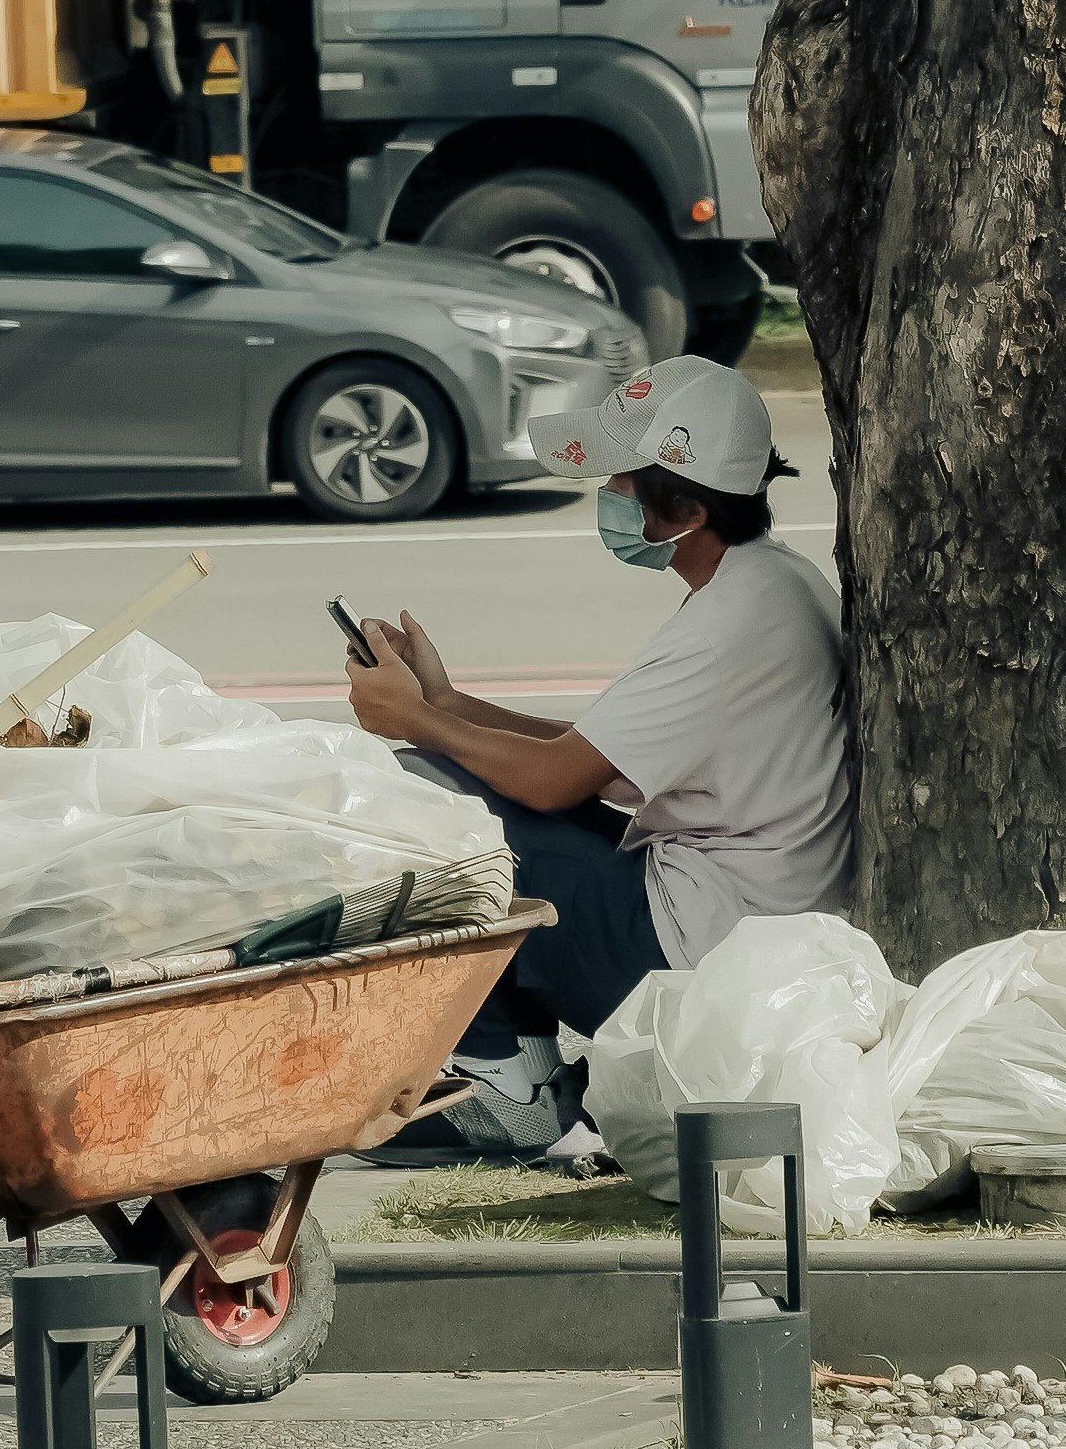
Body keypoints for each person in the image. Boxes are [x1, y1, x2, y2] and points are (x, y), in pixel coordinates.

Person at [345, 356, 852, 1117]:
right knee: (461, 774)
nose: (606, 495)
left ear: (684, 510)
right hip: (737, 923)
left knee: (434, 804)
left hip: (686, 957)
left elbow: (554, 778)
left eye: (621, 479)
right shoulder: (770, 581)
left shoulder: (725, 628)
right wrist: (446, 701)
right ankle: (527, 1070)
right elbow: (596, 759)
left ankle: (504, 1085)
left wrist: (415, 719)